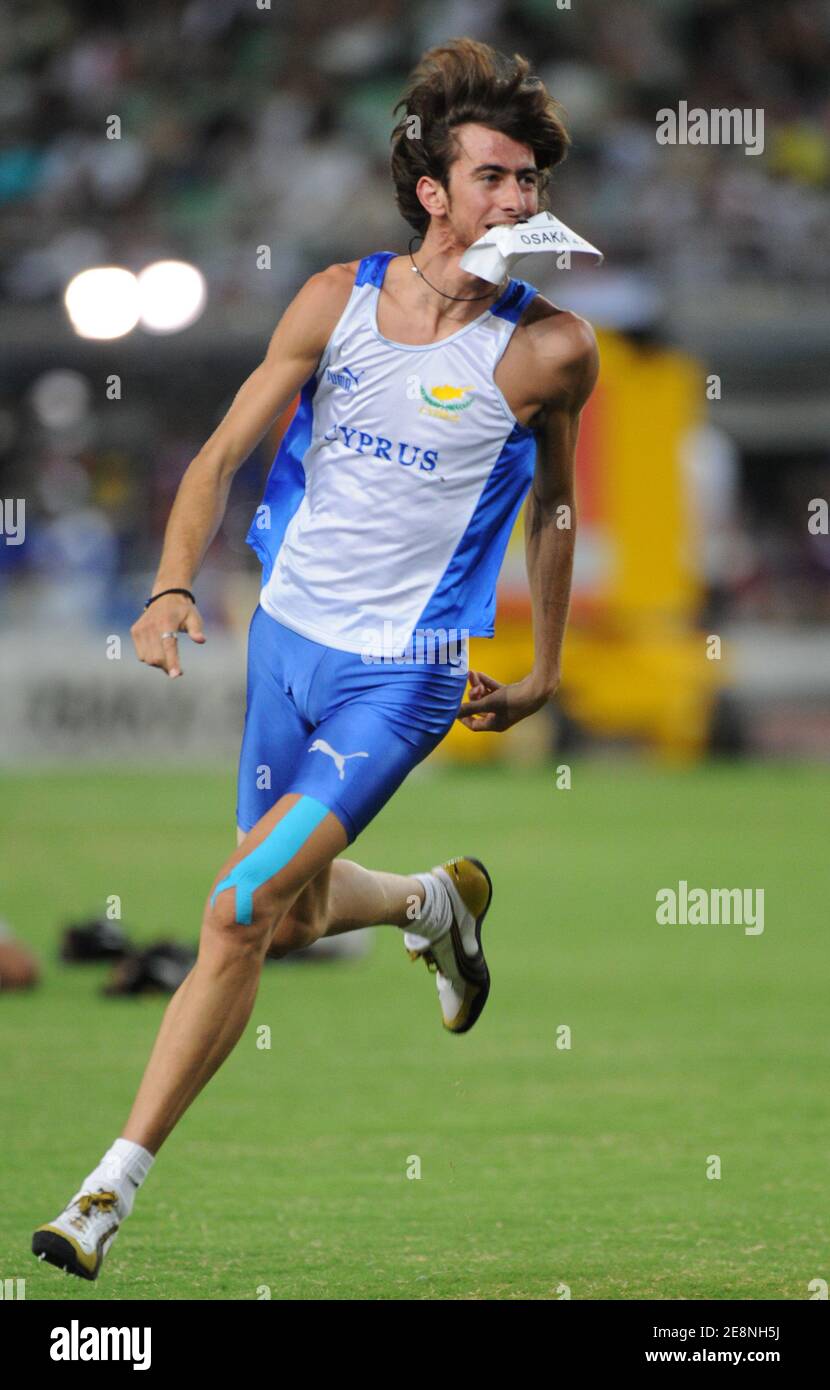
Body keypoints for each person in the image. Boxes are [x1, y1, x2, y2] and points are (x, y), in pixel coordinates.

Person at [32, 37, 598, 1281]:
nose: (521, 199)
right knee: (281, 919)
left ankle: (105, 1192)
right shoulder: (333, 300)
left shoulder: (549, 348)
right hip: (286, 640)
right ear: (432, 191)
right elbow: (220, 454)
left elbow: (554, 511)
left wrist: (545, 659)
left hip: (402, 677)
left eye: (530, 181)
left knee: (233, 909)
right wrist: (172, 583)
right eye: (496, 176)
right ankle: (427, 901)